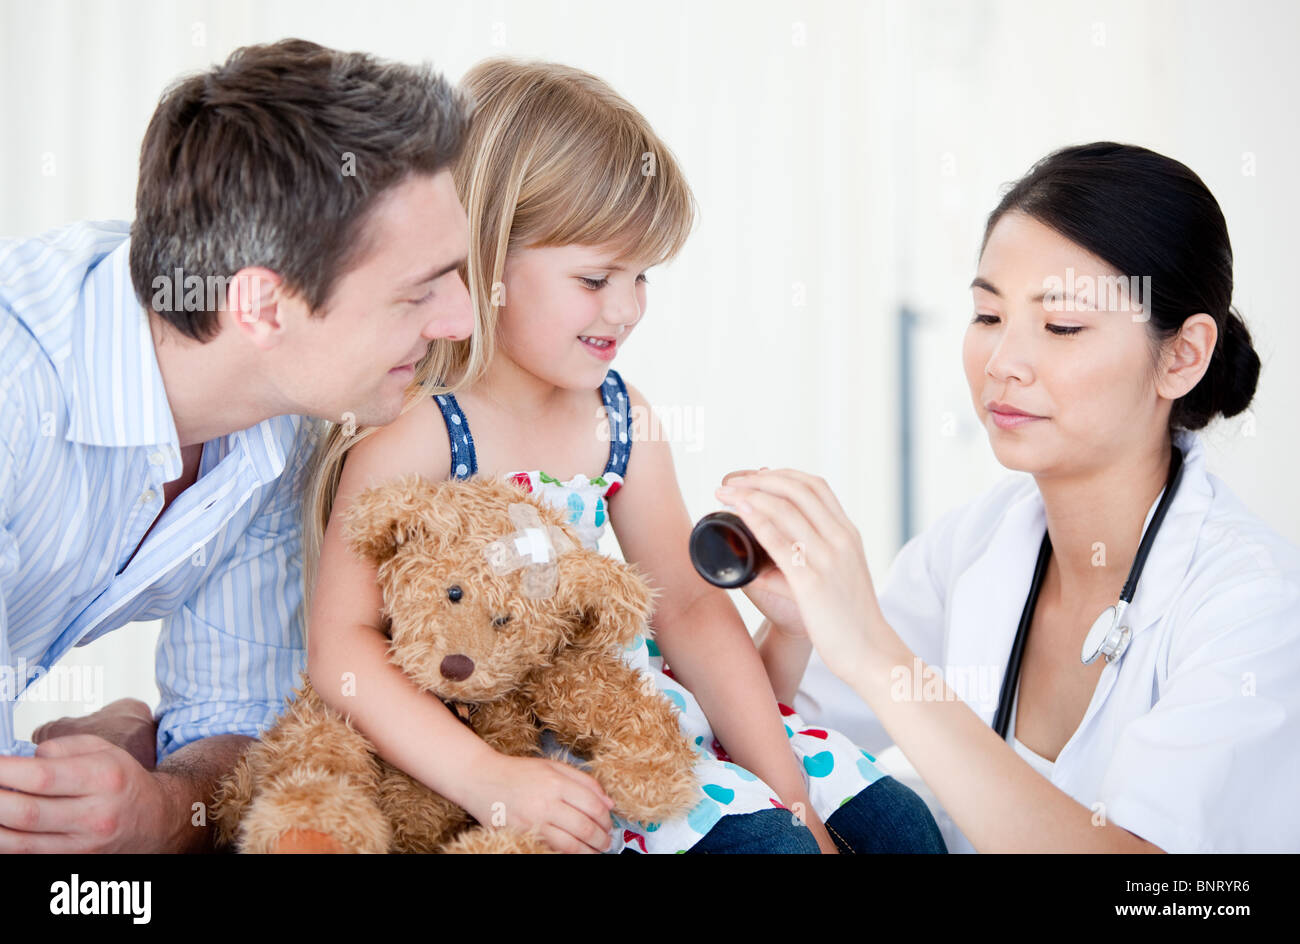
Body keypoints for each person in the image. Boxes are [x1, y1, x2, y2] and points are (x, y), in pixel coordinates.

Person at [298, 58, 946, 854]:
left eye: (642, 277)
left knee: (899, 828)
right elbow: (341, 650)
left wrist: (793, 794)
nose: (628, 308)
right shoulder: (418, 432)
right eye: (596, 277)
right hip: (523, 757)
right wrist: (486, 780)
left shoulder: (620, 417)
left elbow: (689, 609)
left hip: (645, 719)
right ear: (484, 257)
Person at [718, 142, 1300, 853]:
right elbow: (773, 745)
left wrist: (871, 650)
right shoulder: (976, 544)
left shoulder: (1254, 605)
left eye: (1061, 327)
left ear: (1181, 356)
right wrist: (798, 627)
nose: (1002, 363)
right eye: (988, 316)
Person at [0, 39, 476, 851]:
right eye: (416, 291)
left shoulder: (281, 418)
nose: (461, 320)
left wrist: (157, 803)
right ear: (260, 305)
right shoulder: (18, 395)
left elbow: (239, 726)